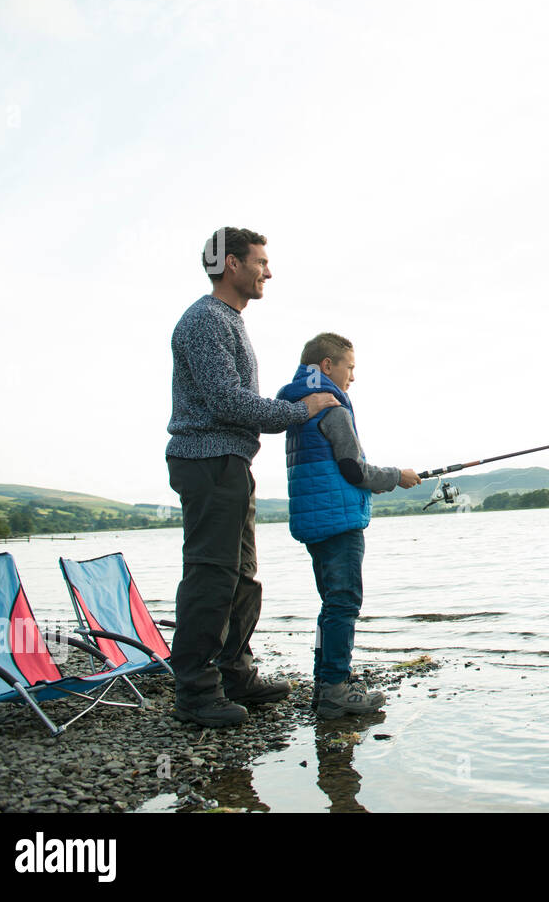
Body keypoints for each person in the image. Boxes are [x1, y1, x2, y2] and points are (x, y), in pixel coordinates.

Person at [166, 227, 340, 728]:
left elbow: (233, 402)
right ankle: (195, 693)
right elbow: (227, 402)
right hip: (208, 461)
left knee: (241, 577)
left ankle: (235, 673)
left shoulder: (228, 320)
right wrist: (299, 410)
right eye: (261, 261)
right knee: (210, 575)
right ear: (232, 265)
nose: (269, 271)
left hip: (230, 463)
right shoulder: (204, 321)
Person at [276, 332, 421, 717]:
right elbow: (354, 469)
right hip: (338, 523)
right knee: (344, 603)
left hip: (314, 522)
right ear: (328, 365)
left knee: (331, 604)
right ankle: (335, 688)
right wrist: (396, 477)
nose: (352, 377)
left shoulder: (300, 406)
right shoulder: (333, 408)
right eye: (349, 367)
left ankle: (326, 683)